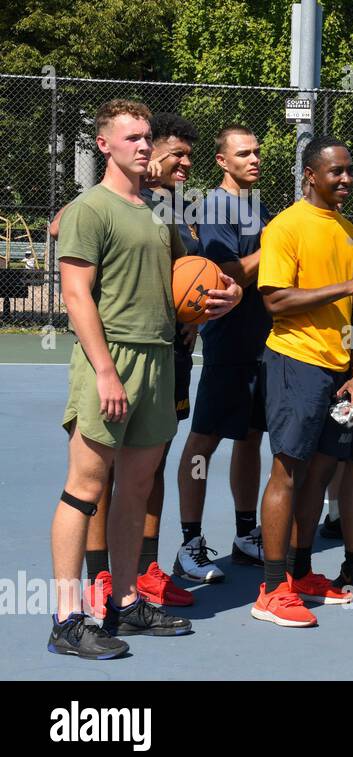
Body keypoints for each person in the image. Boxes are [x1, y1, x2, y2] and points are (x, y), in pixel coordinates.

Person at [48, 99, 239, 658]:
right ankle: (66, 617)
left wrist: (222, 296)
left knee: (135, 488)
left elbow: (189, 279)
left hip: (159, 362)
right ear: (104, 144)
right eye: (130, 136)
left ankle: (126, 602)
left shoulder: (160, 211)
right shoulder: (90, 208)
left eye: (145, 135)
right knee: (84, 489)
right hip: (110, 362)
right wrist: (105, 371)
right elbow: (76, 294)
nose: (141, 144)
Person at [250, 136, 353, 627]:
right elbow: (275, 301)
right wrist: (346, 286)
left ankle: (301, 571)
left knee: (321, 472)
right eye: (336, 172)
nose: (346, 179)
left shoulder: (351, 232)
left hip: (336, 369)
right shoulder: (286, 226)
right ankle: (270, 587)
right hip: (296, 362)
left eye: (349, 170)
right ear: (311, 175)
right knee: (288, 470)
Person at [81, 111, 206, 615]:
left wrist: (199, 303)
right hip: (121, 351)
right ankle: (100, 575)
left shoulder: (172, 209)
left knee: (148, 466)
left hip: (168, 351)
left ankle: (146, 569)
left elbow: (186, 276)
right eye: (174, 153)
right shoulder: (111, 202)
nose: (183, 163)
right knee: (105, 470)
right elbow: (62, 225)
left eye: (187, 157)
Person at [173, 124, 273, 582]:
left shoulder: (259, 206)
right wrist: (274, 248)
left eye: (256, 152)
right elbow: (224, 273)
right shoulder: (215, 205)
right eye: (243, 153)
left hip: (263, 341)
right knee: (204, 442)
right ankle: (190, 543)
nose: (253, 159)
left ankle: (245, 533)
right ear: (222, 161)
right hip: (229, 344)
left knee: (251, 438)